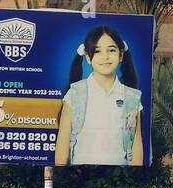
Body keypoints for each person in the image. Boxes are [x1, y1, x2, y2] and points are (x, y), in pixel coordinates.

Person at [53, 25, 144, 166]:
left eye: (111, 50)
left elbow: (136, 144)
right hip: (79, 177)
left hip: (119, 179)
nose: (105, 57)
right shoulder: (75, 94)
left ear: (121, 55)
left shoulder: (132, 97)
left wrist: (135, 178)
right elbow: (62, 144)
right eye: (97, 51)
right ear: (88, 58)